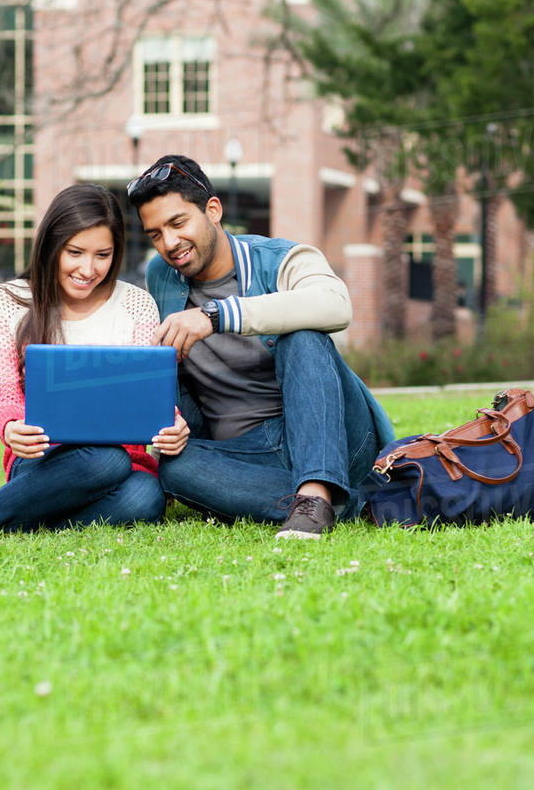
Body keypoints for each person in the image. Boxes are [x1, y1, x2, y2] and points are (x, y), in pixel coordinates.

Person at [0, 184, 188, 546]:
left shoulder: (136, 304)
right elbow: (5, 395)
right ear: (51, 246)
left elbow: (144, 392)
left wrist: (169, 422)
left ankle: (22, 516)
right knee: (105, 462)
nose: (87, 269)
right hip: (42, 457)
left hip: (125, 460)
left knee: (146, 497)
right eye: (74, 252)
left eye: (102, 255)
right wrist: (12, 427)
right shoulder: (4, 303)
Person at [127, 154, 395, 538]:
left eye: (178, 223)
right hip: (245, 455)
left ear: (213, 210)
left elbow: (336, 304)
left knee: (303, 335)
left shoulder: (282, 259)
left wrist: (215, 316)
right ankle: (336, 501)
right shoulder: (161, 275)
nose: (170, 243)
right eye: (155, 234)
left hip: (331, 437)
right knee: (171, 469)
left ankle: (318, 490)